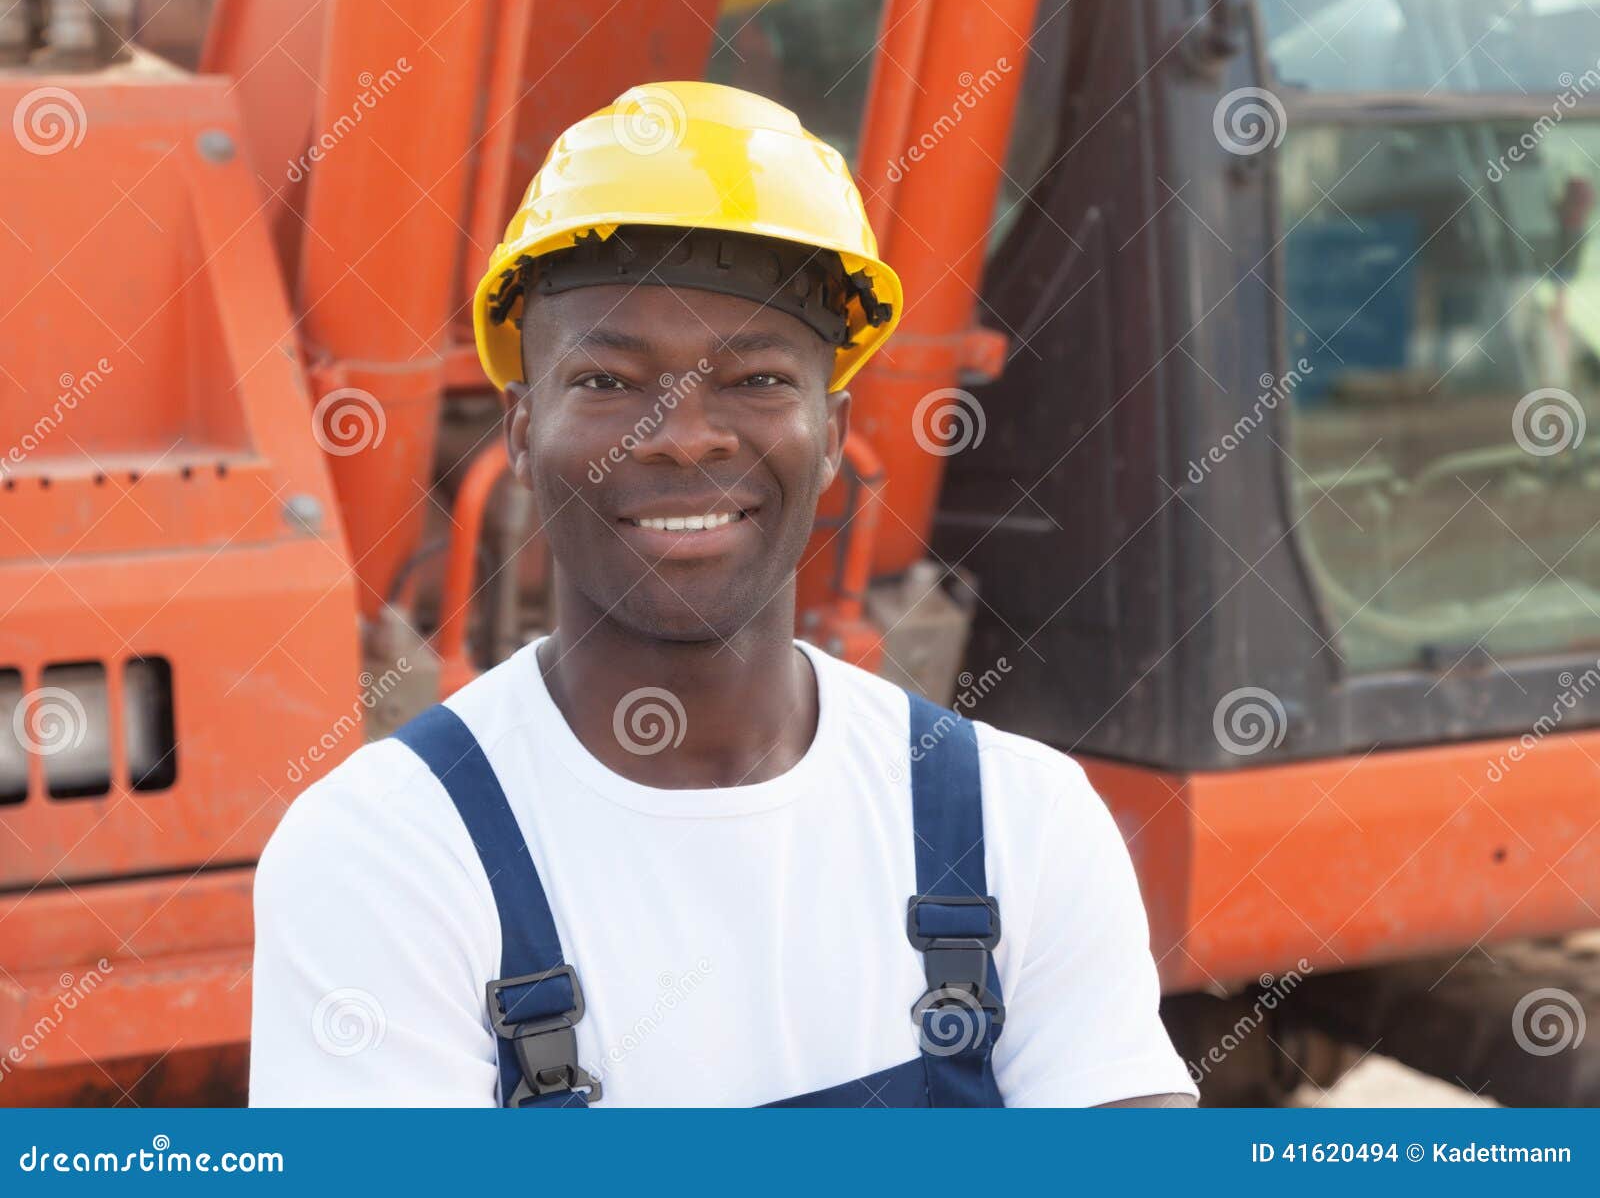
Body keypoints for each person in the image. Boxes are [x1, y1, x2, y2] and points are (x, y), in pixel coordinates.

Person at [249, 81, 1197, 1109]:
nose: (683, 433)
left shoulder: (1018, 821)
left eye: (755, 380)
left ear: (834, 434)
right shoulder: (389, 851)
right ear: (521, 433)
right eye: (608, 381)